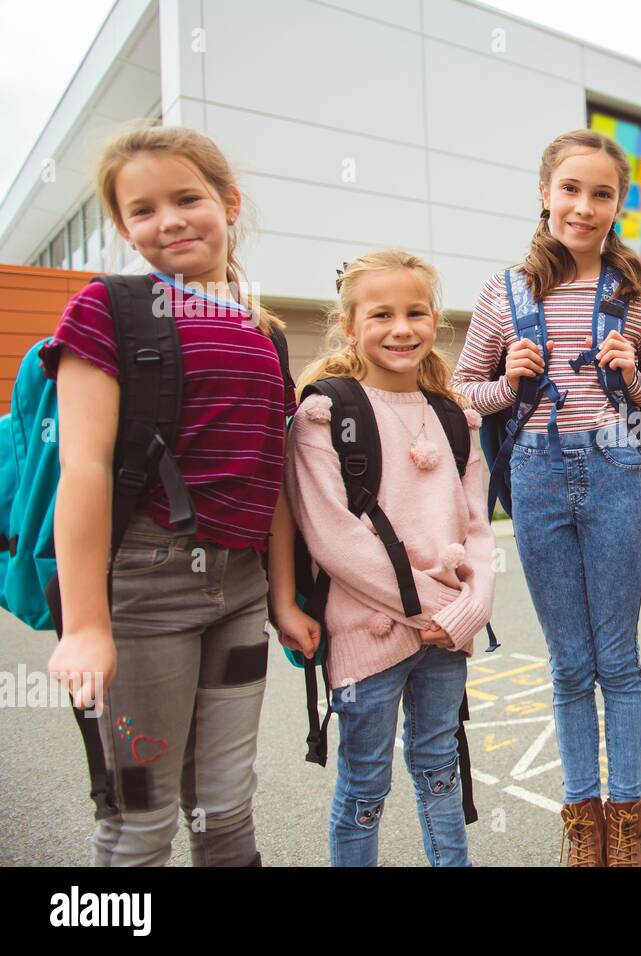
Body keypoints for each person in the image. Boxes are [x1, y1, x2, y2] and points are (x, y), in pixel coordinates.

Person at [44, 124, 313, 865]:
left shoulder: (263, 332)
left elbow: (274, 476)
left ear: (228, 202)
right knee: (141, 819)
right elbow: (85, 469)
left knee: (226, 807)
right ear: (125, 228)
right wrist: (87, 625)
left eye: (187, 197)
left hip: (238, 596)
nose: (168, 220)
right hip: (143, 593)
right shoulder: (108, 311)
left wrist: (282, 599)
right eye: (142, 210)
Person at [454, 129, 641, 866]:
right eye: (570, 190)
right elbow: (462, 393)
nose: (583, 207)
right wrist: (506, 383)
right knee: (567, 665)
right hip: (535, 471)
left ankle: (627, 825)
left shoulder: (637, 292)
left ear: (620, 204)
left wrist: (634, 375)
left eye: (602, 194)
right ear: (544, 193)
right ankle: (581, 825)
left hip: (616, 466)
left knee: (616, 660)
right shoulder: (505, 291)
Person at [284, 250, 494, 867]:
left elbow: (479, 531)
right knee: (364, 784)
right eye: (381, 315)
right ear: (349, 327)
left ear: (435, 321)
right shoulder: (326, 414)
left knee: (440, 771)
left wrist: (465, 614)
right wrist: (437, 610)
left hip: (443, 638)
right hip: (367, 636)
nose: (401, 328)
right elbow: (334, 539)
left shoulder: (456, 419)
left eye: (416, 312)